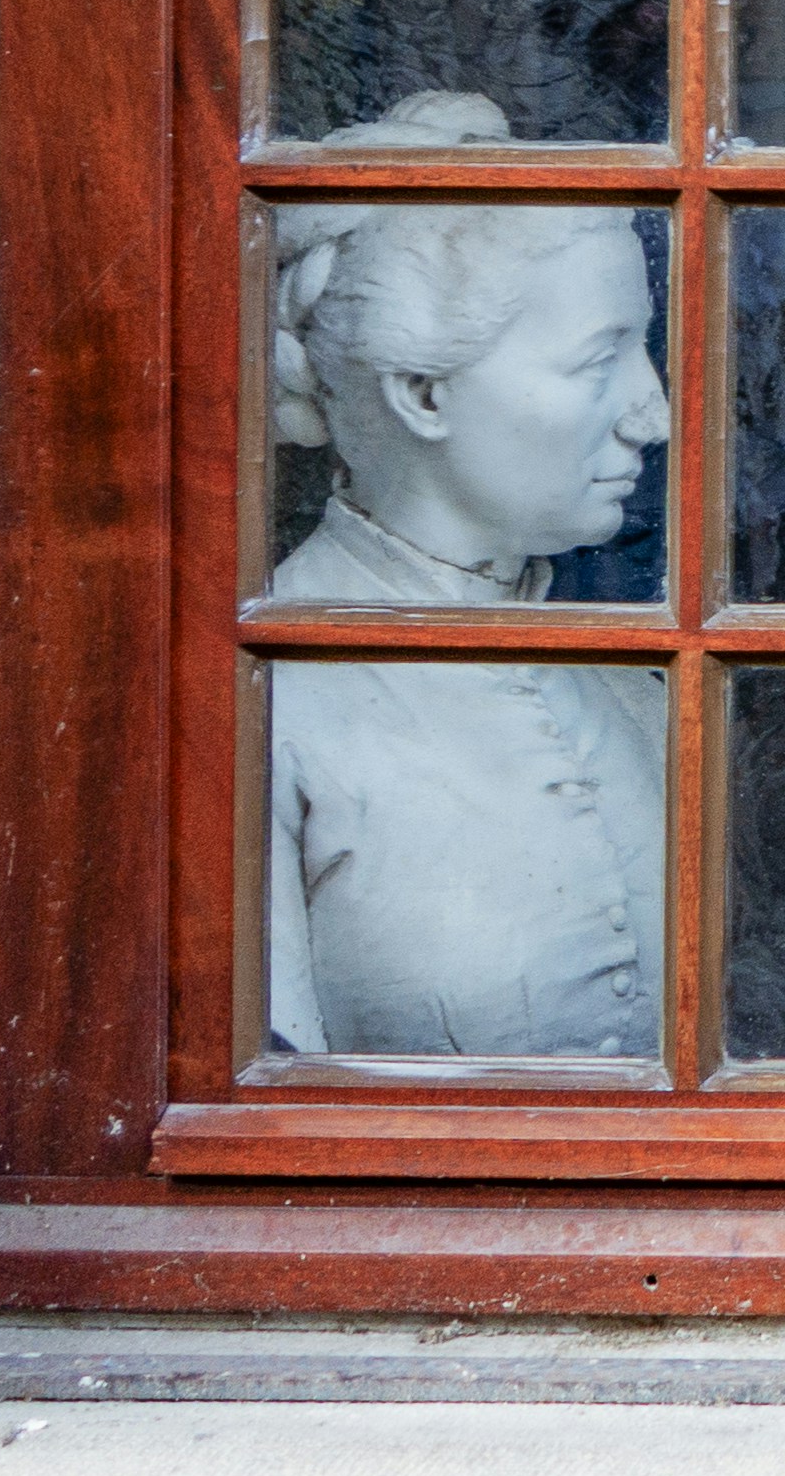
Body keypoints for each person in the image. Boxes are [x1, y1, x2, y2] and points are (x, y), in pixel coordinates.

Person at [259, 93, 676, 1061]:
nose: (649, 412)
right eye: (600, 358)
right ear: (425, 392)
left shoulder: (637, 675)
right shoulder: (266, 702)